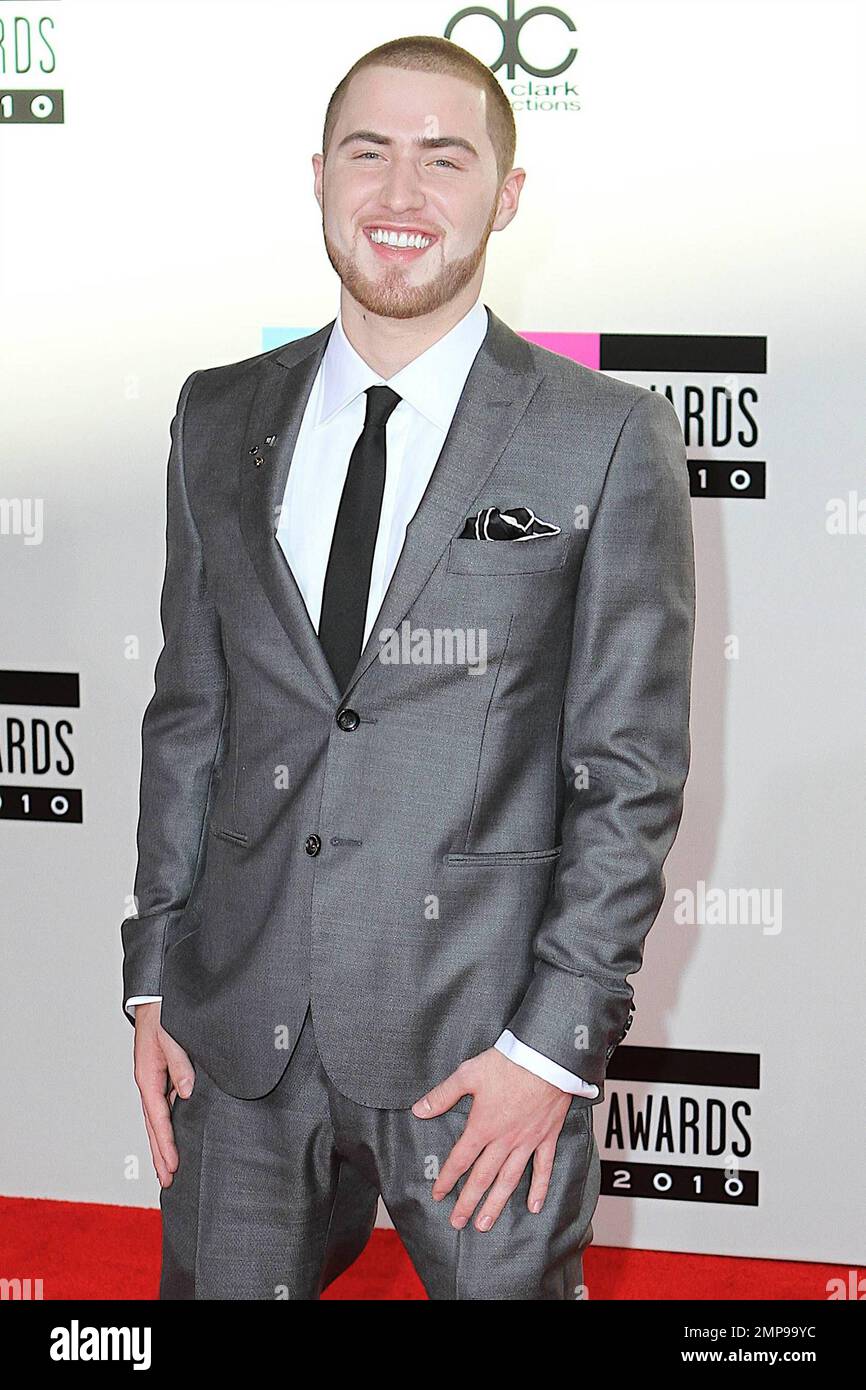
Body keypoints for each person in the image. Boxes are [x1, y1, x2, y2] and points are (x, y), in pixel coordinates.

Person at [121, 33, 695, 1301]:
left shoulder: (603, 436)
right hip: (236, 1042)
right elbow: (189, 718)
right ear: (319, 174)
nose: (399, 196)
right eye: (369, 153)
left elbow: (629, 773)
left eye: (445, 159)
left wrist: (551, 1050)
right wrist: (154, 970)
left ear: (504, 196)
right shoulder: (216, 414)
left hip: (479, 1045)